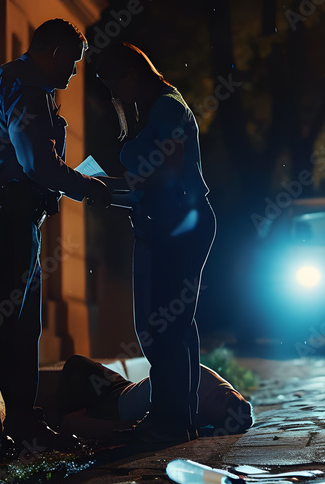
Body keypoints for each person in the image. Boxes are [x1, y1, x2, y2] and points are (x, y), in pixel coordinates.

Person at [0, 19, 111, 465]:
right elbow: (39, 164)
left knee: (20, 330)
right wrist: (89, 187)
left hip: (6, 215)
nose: (75, 73)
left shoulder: (9, 79)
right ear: (57, 52)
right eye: (75, 63)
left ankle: (20, 426)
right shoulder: (26, 88)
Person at [95, 43, 216, 443]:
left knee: (163, 324)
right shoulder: (159, 108)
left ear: (132, 73)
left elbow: (168, 171)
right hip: (174, 220)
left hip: (177, 224)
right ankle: (179, 415)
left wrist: (117, 187)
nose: (115, 95)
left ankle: (170, 418)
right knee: (173, 323)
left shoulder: (165, 108)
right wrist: (104, 188)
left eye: (115, 85)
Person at [55, 355, 253, 439]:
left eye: (222, 401)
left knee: (77, 369)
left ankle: (55, 421)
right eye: (233, 395)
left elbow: (135, 430)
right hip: (122, 387)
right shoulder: (210, 385)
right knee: (78, 364)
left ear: (209, 419)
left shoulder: (187, 416)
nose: (226, 394)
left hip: (113, 407)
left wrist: (78, 423)